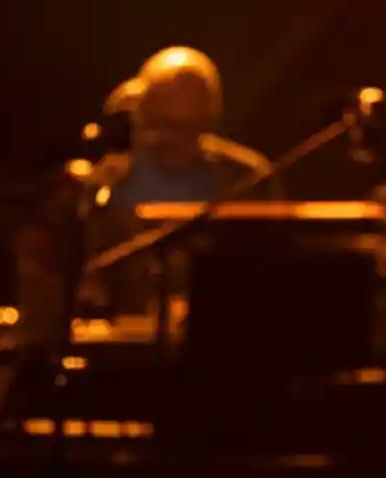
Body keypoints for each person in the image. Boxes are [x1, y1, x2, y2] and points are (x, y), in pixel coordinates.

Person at [82, 46, 278, 315]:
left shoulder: (247, 177)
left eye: (189, 127)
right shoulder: (106, 183)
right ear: (141, 112)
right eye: (164, 123)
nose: (174, 139)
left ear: (210, 120)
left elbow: (270, 269)